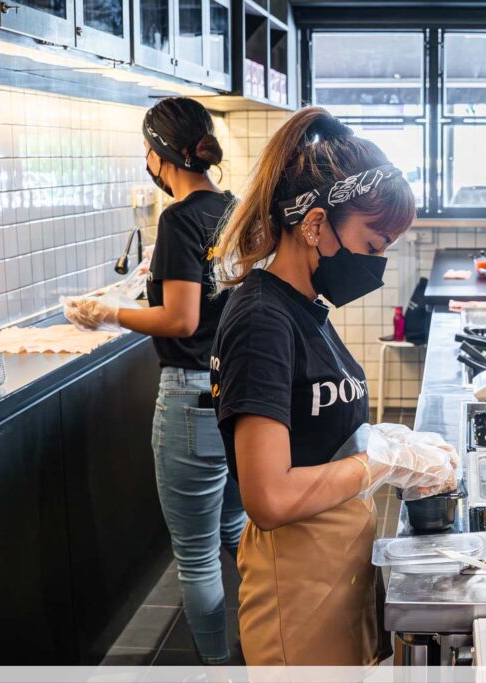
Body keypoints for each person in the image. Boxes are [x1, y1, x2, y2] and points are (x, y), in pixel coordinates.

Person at [210, 106, 457, 666]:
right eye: (373, 245)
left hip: (337, 564)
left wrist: (388, 442)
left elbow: (319, 429)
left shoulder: (306, 308)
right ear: (316, 224)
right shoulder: (260, 319)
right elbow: (268, 498)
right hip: (295, 579)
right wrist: (383, 462)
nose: (377, 263)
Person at [64, 97, 246, 665]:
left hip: (191, 401)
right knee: (237, 534)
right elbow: (220, 295)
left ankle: (218, 671)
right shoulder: (235, 208)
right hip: (238, 394)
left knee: (195, 557)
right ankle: (261, 650)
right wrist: (158, 276)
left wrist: (107, 312)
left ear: (159, 154)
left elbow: (181, 320)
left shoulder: (178, 218)